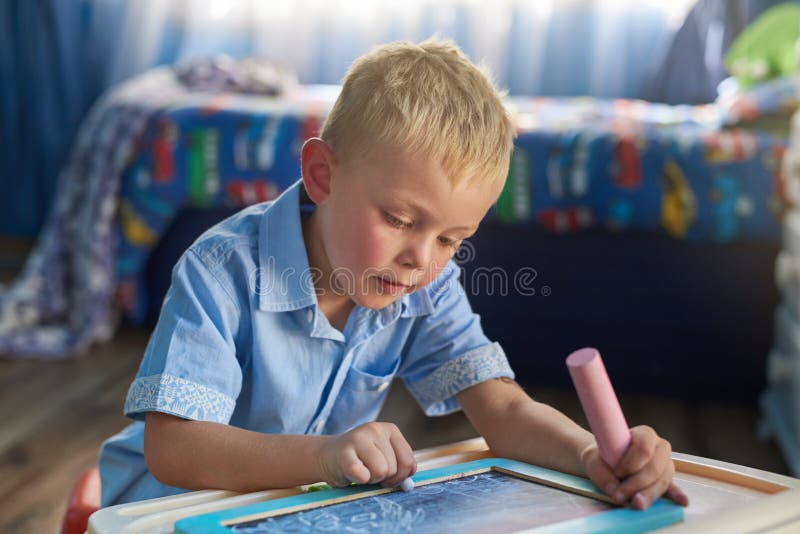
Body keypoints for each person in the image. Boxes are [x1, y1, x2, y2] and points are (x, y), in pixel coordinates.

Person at [98, 39, 689, 511]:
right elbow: (174, 447)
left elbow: (503, 411)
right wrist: (326, 457)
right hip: (168, 510)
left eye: (453, 240)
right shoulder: (221, 268)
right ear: (323, 176)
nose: (423, 258)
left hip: (290, 506)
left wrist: (589, 453)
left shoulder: (423, 281)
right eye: (401, 219)